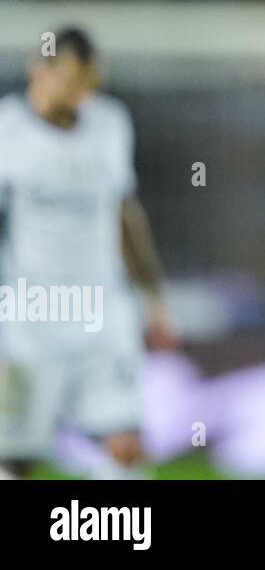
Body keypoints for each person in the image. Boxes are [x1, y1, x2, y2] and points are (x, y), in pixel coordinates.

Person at [0, 28, 176, 479]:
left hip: (103, 313)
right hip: (29, 318)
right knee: (16, 457)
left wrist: (154, 296)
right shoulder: (7, 131)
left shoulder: (110, 123)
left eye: (90, 84)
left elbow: (125, 213)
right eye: (75, 82)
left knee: (126, 445)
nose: (83, 95)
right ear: (40, 72)